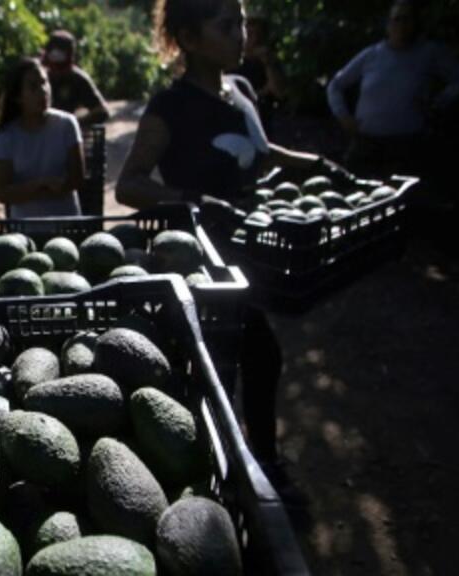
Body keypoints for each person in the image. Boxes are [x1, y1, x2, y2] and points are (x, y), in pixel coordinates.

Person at [117, 0, 338, 472]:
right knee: (232, 362)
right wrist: (194, 201)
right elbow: (130, 183)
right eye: (225, 25)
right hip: (200, 261)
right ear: (189, 39)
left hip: (249, 251)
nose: (240, 33)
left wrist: (316, 165)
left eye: (240, 22)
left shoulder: (240, 89)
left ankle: (258, 462)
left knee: (258, 358)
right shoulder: (170, 107)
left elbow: (261, 150)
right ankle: (238, 470)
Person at [326, 0, 459, 177]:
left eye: (407, 19)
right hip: (367, 143)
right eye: (397, 19)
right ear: (388, 25)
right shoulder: (372, 54)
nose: (401, 25)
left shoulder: (429, 53)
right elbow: (335, 85)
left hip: (409, 145)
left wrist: (439, 102)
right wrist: (342, 115)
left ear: (416, 23)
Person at [0, 57, 86, 218]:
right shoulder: (6, 138)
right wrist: (40, 185)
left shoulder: (66, 124)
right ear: (18, 97)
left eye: (44, 83)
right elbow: (3, 193)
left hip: (67, 224)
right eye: (33, 87)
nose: (43, 91)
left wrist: (58, 186)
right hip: (25, 230)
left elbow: (77, 178)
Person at [41, 30, 111, 127]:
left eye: (61, 66)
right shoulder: (35, 75)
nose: (56, 71)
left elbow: (102, 111)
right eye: (52, 66)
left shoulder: (77, 79)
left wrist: (72, 123)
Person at [237, 9, 287, 131]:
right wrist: (264, 91)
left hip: (263, 123)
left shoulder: (267, 60)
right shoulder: (231, 61)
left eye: (258, 35)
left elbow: (280, 92)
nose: (254, 40)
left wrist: (267, 62)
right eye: (250, 34)